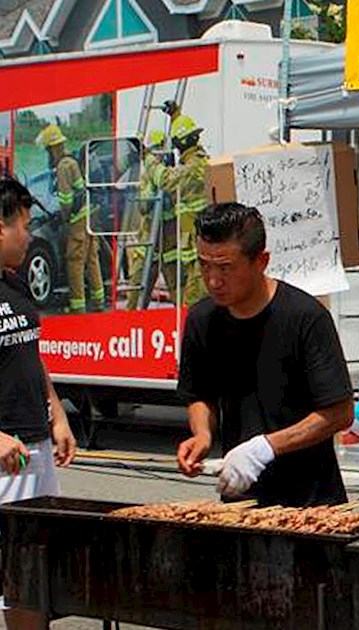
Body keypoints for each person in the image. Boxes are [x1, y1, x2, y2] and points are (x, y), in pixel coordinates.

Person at [176, 203, 354, 506]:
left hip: (311, 502)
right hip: (240, 502)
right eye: (204, 265)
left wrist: (265, 448)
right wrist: (203, 435)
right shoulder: (201, 319)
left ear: (261, 261)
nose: (213, 280)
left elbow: (339, 412)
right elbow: (200, 393)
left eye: (226, 267)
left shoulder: (305, 318)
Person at [0, 179, 77, 630]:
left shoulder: (16, 286)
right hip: (3, 457)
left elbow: (29, 353)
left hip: (33, 449)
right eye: (22, 227)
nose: (28, 237)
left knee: (31, 580)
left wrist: (58, 412)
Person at [36, 124, 104, 313]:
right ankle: (98, 303)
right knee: (91, 260)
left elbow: (66, 199)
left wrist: (63, 217)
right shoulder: (72, 161)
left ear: (54, 148)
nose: (48, 155)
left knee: (74, 262)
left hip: (78, 221)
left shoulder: (64, 167)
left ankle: (78, 307)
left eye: (48, 150)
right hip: (89, 216)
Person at [162, 114, 209, 306]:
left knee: (193, 303)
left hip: (197, 246)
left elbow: (165, 180)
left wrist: (148, 159)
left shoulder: (192, 166)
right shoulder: (197, 160)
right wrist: (175, 115)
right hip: (194, 242)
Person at [127, 130, 171, 309]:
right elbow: (144, 206)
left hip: (171, 245)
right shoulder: (147, 176)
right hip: (148, 246)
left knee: (182, 296)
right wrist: (154, 186)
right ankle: (130, 332)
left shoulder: (171, 175)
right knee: (136, 300)